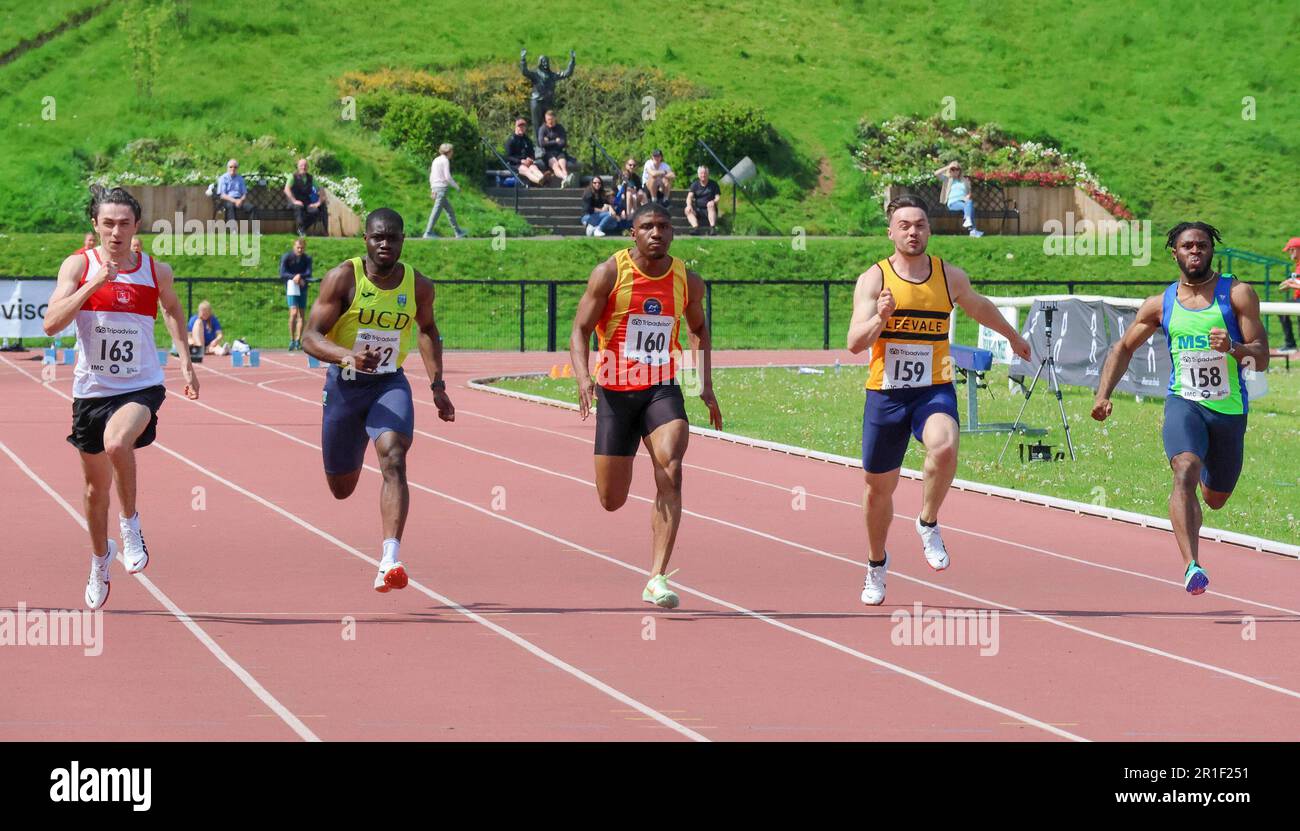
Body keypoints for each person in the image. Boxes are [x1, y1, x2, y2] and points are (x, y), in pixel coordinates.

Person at [848, 195, 1031, 605]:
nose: (914, 232)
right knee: (878, 490)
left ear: (929, 230)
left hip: (933, 388)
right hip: (886, 394)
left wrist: (1012, 336)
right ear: (891, 232)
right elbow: (854, 344)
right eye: (905, 225)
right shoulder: (874, 280)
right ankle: (876, 564)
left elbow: (979, 306)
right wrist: (881, 317)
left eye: (921, 225)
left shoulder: (948, 277)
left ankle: (928, 521)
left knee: (945, 446)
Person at [41, 187, 199, 610]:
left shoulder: (155, 269)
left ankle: (131, 526)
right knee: (94, 493)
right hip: (91, 392)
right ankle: (99, 560)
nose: (116, 231)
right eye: (108, 223)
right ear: (95, 224)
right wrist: (95, 282)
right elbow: (51, 324)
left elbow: (171, 309)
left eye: (124, 223)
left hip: (140, 386)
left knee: (117, 442)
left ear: (137, 227)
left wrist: (185, 359)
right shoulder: (78, 265)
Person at [1092, 222, 1269, 595]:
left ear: (1211, 251)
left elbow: (1263, 357)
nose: (1195, 252)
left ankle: (1206, 482)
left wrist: (1234, 349)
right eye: (1187, 246)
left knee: (1215, 499)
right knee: (1184, 468)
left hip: (1229, 410)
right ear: (1174, 252)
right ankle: (1192, 565)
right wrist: (1103, 393)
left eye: (1202, 246)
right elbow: (1123, 347)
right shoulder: (1161, 304)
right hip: (1184, 403)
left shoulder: (1237, 295)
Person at [569, 203, 723, 608]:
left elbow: (698, 329)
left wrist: (702, 383)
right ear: (632, 233)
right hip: (616, 392)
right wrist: (584, 377)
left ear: (673, 233)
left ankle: (656, 577)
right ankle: (623, 466)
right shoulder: (609, 273)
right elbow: (581, 329)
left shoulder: (687, 281)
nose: (657, 233)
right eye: (647, 227)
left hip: (661, 387)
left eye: (664, 226)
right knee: (611, 498)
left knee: (671, 469)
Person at [302, 208, 456, 592]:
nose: (385, 244)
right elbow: (310, 336)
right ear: (366, 240)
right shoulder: (343, 278)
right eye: (378, 238)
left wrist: (437, 386)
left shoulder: (418, 285)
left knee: (394, 456)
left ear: (403, 240)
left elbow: (428, 330)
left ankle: (390, 558)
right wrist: (346, 356)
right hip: (344, 385)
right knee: (341, 487)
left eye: (393, 238)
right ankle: (348, 460)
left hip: (389, 383)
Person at [422, 143, 468, 239]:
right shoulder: (445, 160)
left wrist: (432, 189)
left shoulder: (436, 160)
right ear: (449, 152)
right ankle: (428, 232)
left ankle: (458, 232)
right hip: (442, 189)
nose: (453, 153)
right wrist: (457, 187)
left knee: (450, 211)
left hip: (436, 188)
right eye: (452, 151)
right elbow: (447, 177)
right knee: (436, 211)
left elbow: (431, 176)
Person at [933, 161, 983, 237]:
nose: (955, 171)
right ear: (950, 170)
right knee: (969, 206)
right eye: (953, 169)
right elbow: (936, 173)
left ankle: (968, 221)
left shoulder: (964, 180)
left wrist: (968, 196)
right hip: (953, 203)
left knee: (969, 203)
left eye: (957, 169)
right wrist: (948, 166)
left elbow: (969, 193)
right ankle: (972, 229)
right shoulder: (947, 179)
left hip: (964, 202)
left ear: (960, 170)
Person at [281, 237, 313, 350]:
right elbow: (283, 273)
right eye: (298, 247)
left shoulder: (307, 258)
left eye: (302, 248)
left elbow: (309, 272)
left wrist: (300, 276)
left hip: (302, 286)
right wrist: (294, 277)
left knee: (302, 314)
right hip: (291, 287)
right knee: (293, 313)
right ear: (294, 247)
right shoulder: (287, 257)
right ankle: (291, 339)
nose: (300, 250)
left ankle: (298, 340)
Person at [284, 158, 328, 236]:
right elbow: (286, 189)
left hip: (306, 202)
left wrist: (318, 202)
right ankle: (301, 231)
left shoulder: (310, 178)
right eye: (301, 165)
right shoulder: (292, 176)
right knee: (299, 207)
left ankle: (302, 229)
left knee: (315, 211)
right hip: (294, 201)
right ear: (298, 167)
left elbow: (321, 189)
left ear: (307, 167)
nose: (303, 167)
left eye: (305, 166)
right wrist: (294, 201)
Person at [504, 118, 548, 185]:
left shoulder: (527, 140)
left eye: (523, 127)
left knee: (534, 168)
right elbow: (508, 156)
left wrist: (530, 159)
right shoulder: (511, 140)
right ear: (516, 127)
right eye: (519, 126)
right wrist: (521, 161)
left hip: (527, 162)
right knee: (526, 170)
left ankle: (543, 178)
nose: (521, 128)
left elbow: (532, 153)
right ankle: (539, 181)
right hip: (515, 164)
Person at [537, 111, 575, 186]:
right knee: (556, 165)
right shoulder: (543, 129)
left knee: (563, 166)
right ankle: (565, 178)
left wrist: (548, 141)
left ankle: (566, 181)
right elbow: (542, 144)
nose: (549, 122)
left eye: (551, 119)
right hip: (548, 153)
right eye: (548, 119)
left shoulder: (560, 128)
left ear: (555, 118)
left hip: (559, 151)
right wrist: (555, 141)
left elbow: (563, 142)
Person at [1278, 237, 1300, 352]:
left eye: (1291, 250)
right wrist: (1288, 284)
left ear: (1297, 249)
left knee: (1282, 309)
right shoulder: (1297, 266)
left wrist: (1291, 284)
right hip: (1298, 299)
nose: (1289, 253)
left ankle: (1290, 343)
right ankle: (1290, 343)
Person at [685, 165, 721, 235]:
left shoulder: (714, 184)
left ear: (708, 174)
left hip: (710, 209)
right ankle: (695, 228)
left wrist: (713, 201)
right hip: (698, 210)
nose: (703, 175)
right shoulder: (695, 184)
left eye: (705, 173)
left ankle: (713, 229)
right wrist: (689, 205)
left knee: (710, 205)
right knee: (687, 209)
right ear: (698, 175)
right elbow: (689, 197)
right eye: (701, 173)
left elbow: (718, 197)